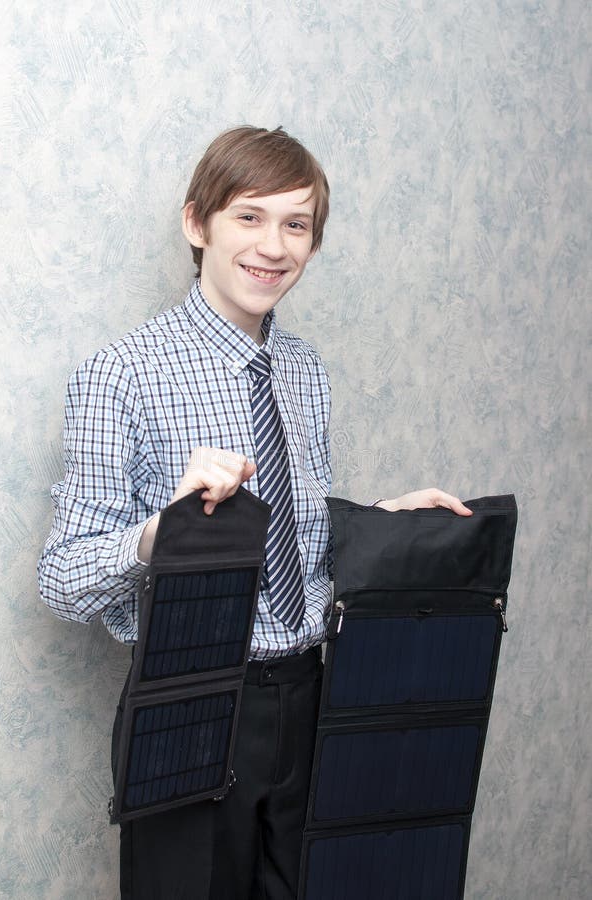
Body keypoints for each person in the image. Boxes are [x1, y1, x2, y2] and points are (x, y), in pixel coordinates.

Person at [38, 125, 472, 900]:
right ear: (196, 223)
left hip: (314, 699)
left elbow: (296, 549)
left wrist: (378, 522)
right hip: (190, 703)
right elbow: (62, 581)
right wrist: (160, 533)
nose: (272, 246)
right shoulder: (120, 374)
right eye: (249, 216)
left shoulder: (304, 370)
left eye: (295, 224)